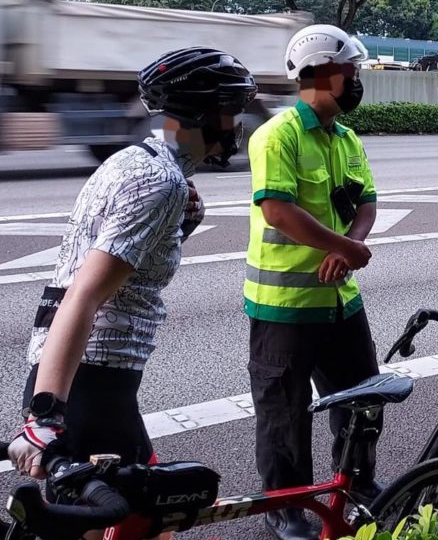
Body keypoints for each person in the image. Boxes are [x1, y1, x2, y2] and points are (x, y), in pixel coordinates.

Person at [9, 48, 257, 482]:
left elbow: (125, 267)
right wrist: (45, 416)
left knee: (142, 503)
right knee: (145, 507)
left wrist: (180, 227)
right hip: (90, 380)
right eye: (233, 111)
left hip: (91, 377)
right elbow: (85, 292)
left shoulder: (134, 160)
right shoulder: (162, 181)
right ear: (206, 115)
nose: (238, 124)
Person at [245, 24, 379, 540]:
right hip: (284, 306)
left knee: (363, 401)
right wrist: (344, 247)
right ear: (320, 73)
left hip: (340, 301)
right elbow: (278, 211)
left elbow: (365, 202)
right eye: (351, 71)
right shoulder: (276, 136)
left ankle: (357, 483)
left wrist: (350, 247)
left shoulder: (346, 139)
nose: (357, 80)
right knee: (284, 414)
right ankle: (287, 507)